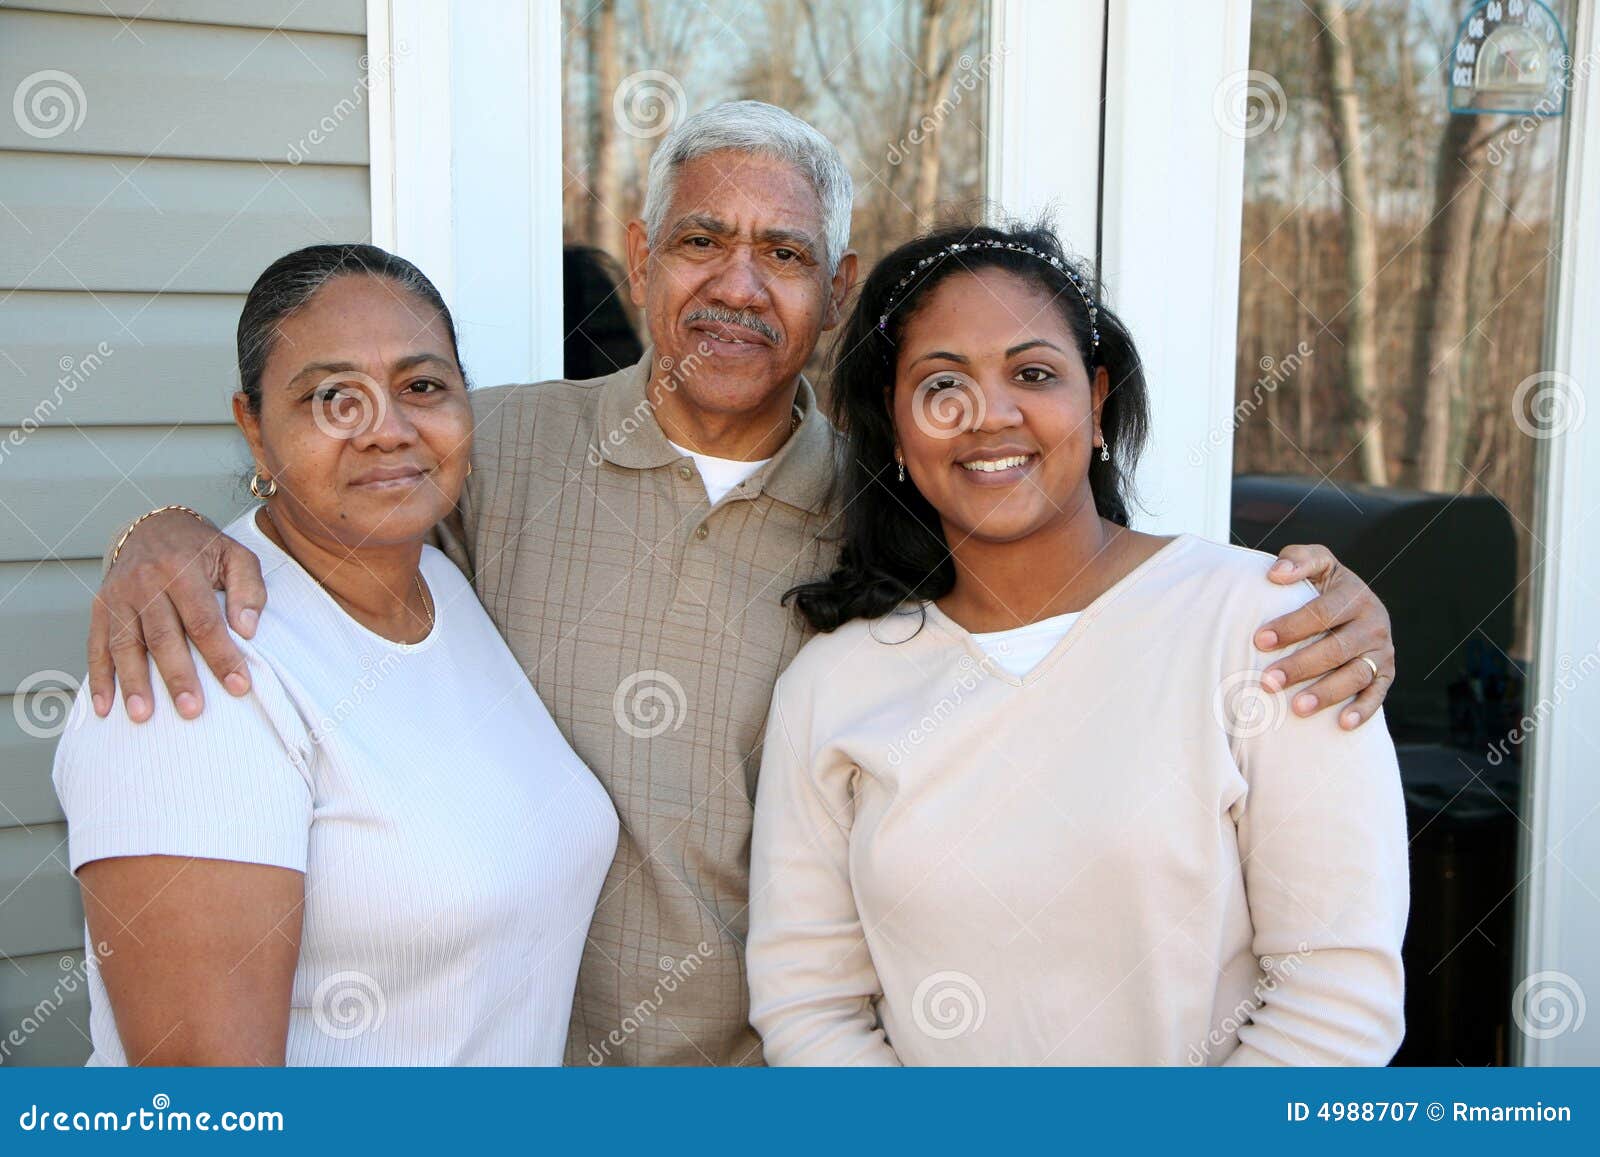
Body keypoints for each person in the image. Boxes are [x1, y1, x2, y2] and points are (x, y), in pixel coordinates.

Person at [84, 102, 1396, 1066]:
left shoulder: (896, 512)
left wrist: (1334, 607)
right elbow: (337, 515)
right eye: (702, 240)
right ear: (645, 255)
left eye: (781, 253)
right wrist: (169, 536)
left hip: (770, 1091)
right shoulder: (491, 453)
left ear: (831, 294)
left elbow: (1074, 609)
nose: (736, 283)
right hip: (537, 1071)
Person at [747, 223, 1409, 1065]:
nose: (989, 414)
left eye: (1033, 373)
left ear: (1095, 401)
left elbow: (1336, 996)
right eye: (942, 382)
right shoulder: (832, 684)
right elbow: (810, 1007)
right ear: (898, 427)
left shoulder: (1262, 624)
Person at [53, 245, 618, 1065]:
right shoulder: (195, 671)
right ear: (254, 427)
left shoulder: (445, 584)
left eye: (422, 387)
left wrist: (155, 522)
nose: (386, 429)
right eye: (331, 397)